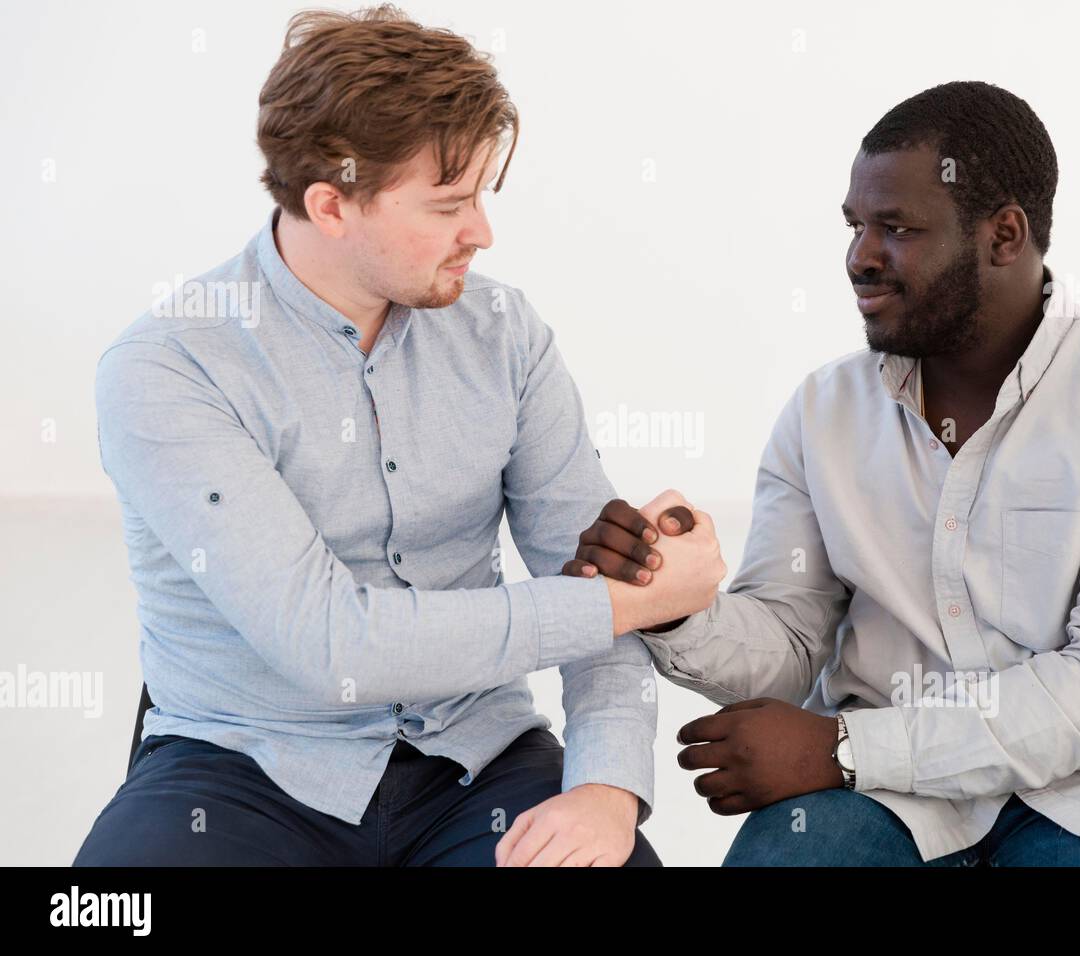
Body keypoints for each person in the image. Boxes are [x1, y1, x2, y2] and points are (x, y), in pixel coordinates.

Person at [75, 4, 723, 868]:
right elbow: (330, 642)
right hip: (241, 767)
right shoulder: (169, 367)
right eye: (448, 204)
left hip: (475, 759)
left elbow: (594, 570)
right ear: (331, 206)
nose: (481, 233)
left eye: (482, 197)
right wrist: (636, 602)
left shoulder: (505, 334)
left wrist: (607, 789)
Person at [567, 81, 1080, 867]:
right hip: (887, 807)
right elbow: (791, 644)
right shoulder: (824, 411)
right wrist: (668, 604)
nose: (860, 257)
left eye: (896, 228)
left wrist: (846, 749)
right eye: (856, 226)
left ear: (1003, 235)